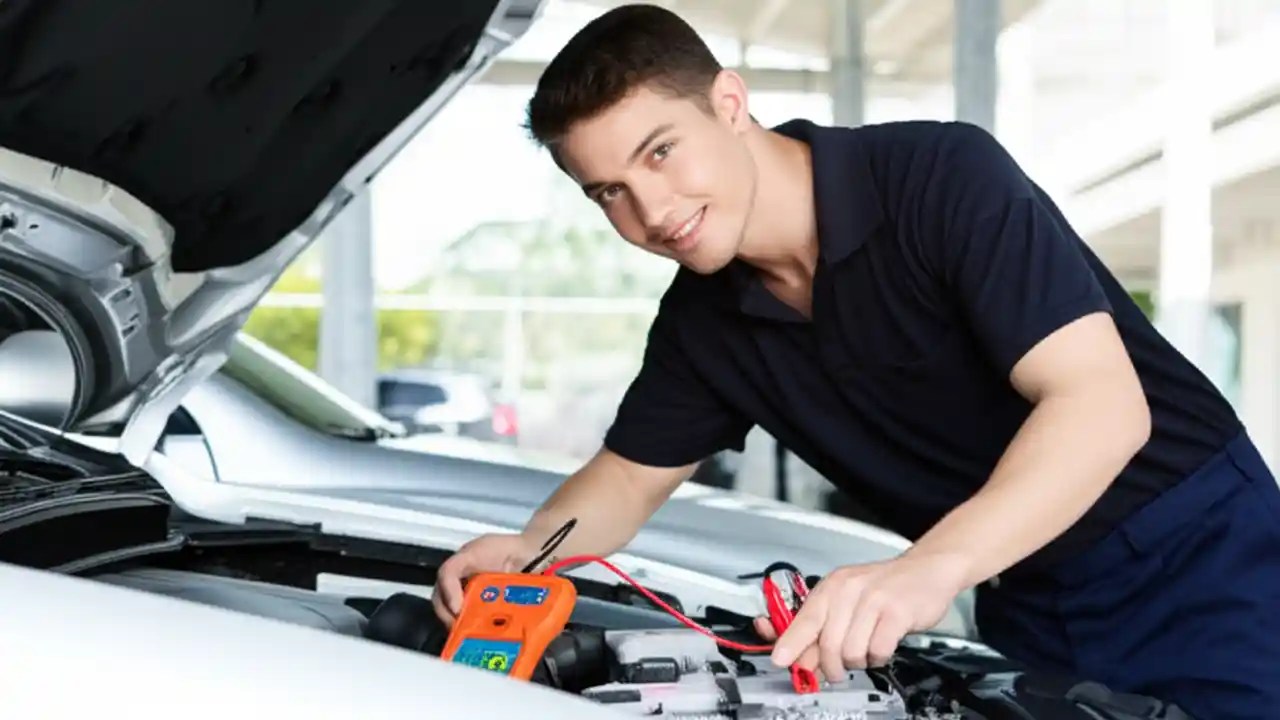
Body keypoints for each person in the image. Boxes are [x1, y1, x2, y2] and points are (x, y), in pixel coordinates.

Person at [432, 5, 1280, 717]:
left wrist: (924, 572)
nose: (649, 211)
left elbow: (1103, 407)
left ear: (730, 102)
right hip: (1024, 588)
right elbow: (625, 479)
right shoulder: (703, 322)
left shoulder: (940, 177)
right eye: (607, 191)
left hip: (1196, 551)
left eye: (660, 152)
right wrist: (527, 550)